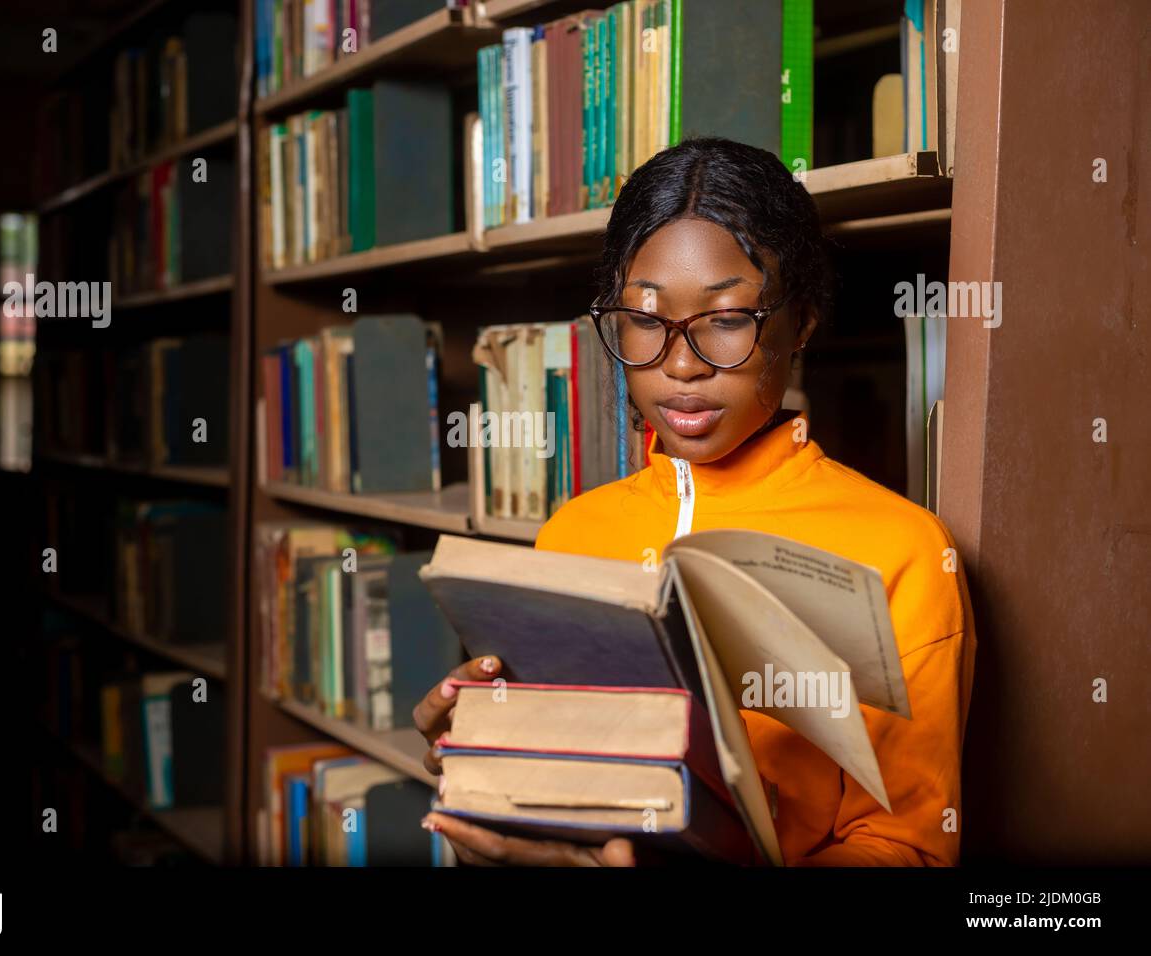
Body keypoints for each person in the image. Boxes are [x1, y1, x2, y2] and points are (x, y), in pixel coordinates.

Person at [413, 138, 976, 866]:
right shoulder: (573, 532)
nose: (681, 365)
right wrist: (485, 782)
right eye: (645, 319)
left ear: (800, 320)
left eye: (729, 318)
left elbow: (911, 851)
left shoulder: (906, 551)